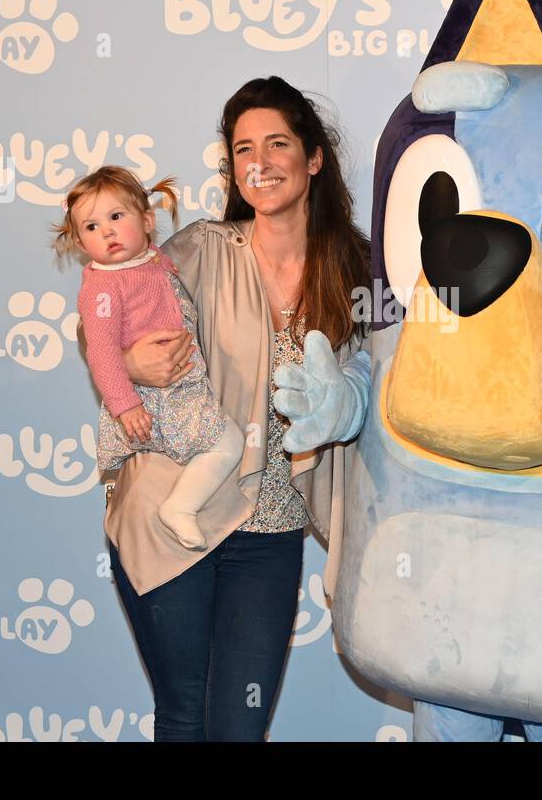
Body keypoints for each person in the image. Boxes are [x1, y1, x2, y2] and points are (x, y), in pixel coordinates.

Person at [101, 76, 373, 742]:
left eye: (277, 143)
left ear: (313, 158)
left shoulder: (357, 269)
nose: (259, 161)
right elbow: (114, 309)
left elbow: (387, 379)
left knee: (238, 730)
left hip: (271, 534)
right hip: (175, 514)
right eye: (243, 148)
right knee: (185, 716)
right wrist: (130, 363)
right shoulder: (198, 250)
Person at [55, 166, 244, 552]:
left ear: (147, 221)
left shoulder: (152, 260)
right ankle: (180, 506)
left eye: (116, 217)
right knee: (229, 443)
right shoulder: (102, 289)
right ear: (79, 242)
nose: (106, 232)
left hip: (179, 386)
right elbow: (103, 352)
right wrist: (126, 407)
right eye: (90, 227)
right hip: (154, 403)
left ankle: (181, 504)